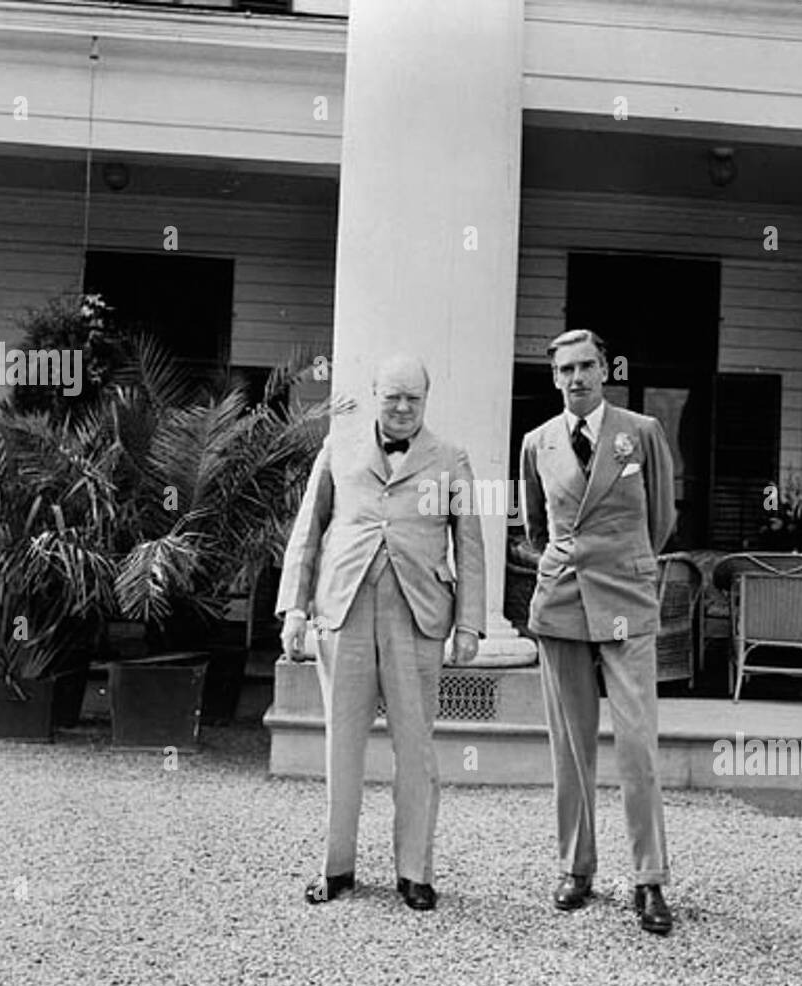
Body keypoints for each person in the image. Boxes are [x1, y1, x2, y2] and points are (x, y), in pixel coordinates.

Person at [277, 354, 485, 911]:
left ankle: (414, 872)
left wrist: (469, 623)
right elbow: (308, 531)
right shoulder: (336, 448)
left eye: (412, 399)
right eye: (391, 396)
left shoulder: (450, 459)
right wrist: (294, 610)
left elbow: (470, 543)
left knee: (414, 749)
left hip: (417, 616)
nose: (400, 408)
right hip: (342, 611)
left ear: (426, 401)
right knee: (341, 747)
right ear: (374, 394)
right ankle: (336, 869)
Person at [519, 329, 678, 936]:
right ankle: (576, 868)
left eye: (587, 366)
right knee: (570, 743)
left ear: (606, 369)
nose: (577, 378)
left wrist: (624, 561)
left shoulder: (640, 433)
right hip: (561, 601)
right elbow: (538, 529)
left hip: (626, 600)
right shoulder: (537, 442)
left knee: (637, 744)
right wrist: (573, 561)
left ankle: (649, 880)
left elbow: (661, 518)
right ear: (554, 378)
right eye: (565, 370)